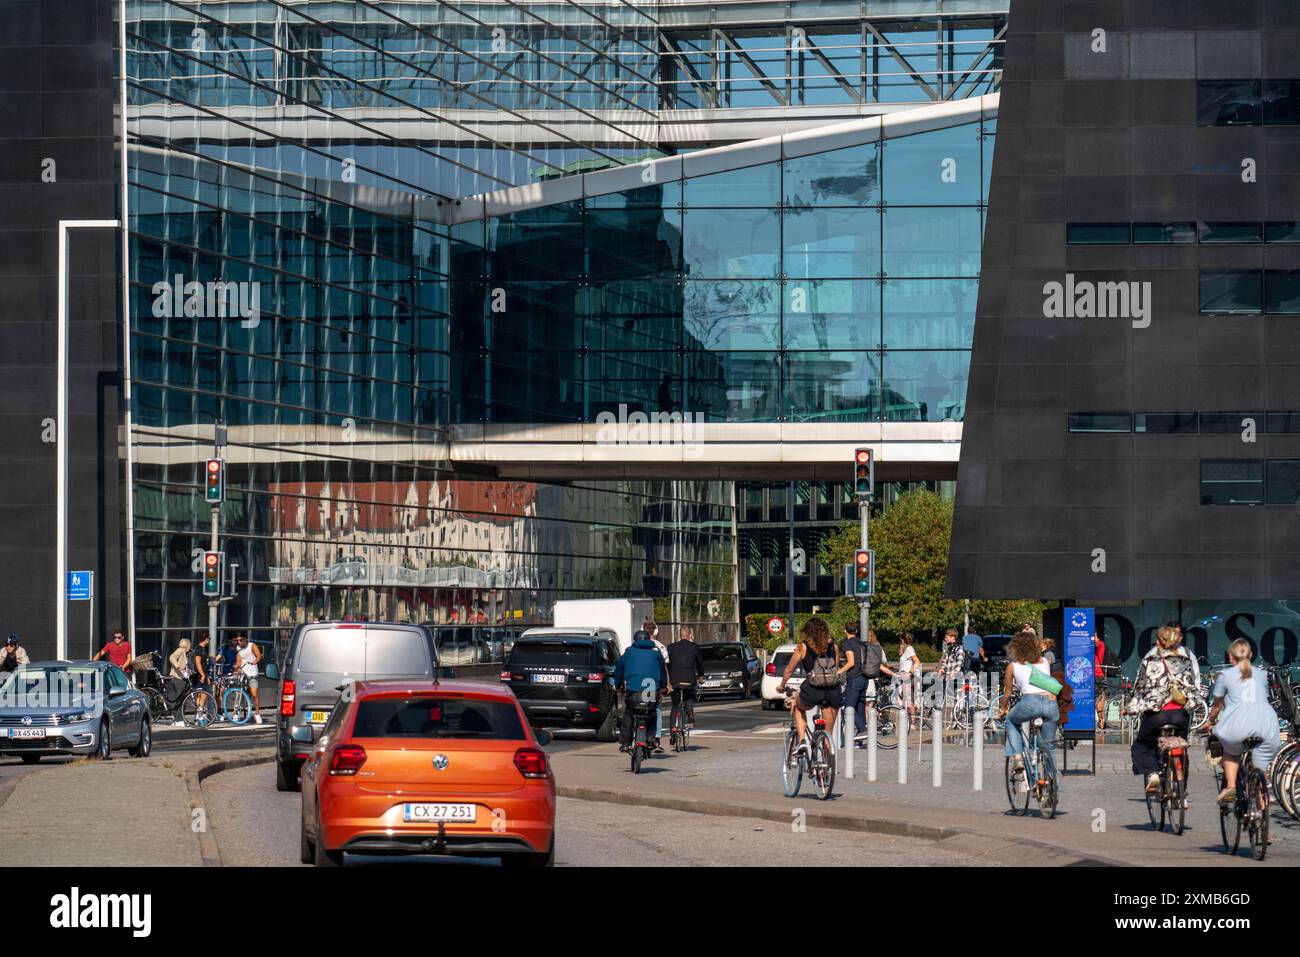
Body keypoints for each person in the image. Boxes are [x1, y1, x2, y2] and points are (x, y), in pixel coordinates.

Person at [1206, 638, 1281, 808]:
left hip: (1238, 725)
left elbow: (1217, 705)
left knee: (1230, 751)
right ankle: (1263, 819)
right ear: (1251, 655)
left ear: (1230, 656)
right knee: (1259, 769)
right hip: (1266, 724)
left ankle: (1231, 786)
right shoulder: (1262, 674)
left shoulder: (1225, 675)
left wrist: (1210, 720)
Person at [1128, 625, 1202, 796]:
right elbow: (1192, 686)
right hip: (1180, 715)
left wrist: (1132, 706)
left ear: (1159, 641)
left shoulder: (1151, 660)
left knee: (1142, 745)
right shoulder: (1185, 660)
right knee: (1181, 746)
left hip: (1157, 715)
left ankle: (1153, 773)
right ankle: (1181, 789)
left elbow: (1140, 688)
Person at [998, 629, 1060, 785]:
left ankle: (1018, 758)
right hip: (1051, 704)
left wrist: (1003, 708)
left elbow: (1007, 691)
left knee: (1011, 722)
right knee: (1049, 745)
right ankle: (1053, 787)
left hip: (1029, 703)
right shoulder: (1044, 661)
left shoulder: (1013, 666)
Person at [776, 618, 840, 757]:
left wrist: (782, 685)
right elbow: (835, 668)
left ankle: (802, 741)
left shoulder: (802, 647)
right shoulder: (833, 647)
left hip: (812, 690)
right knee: (828, 733)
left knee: (798, 706)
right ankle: (826, 770)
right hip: (832, 691)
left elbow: (789, 669)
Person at [614, 629, 668, 752]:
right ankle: (650, 738)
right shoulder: (656, 653)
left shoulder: (629, 652)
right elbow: (663, 672)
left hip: (633, 692)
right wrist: (663, 687)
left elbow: (619, 669)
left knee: (629, 714)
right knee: (652, 713)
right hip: (651, 692)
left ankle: (626, 743)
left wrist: (618, 686)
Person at [666, 625, 704, 739]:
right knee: (688, 697)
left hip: (675, 680)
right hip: (689, 680)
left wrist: (668, 681)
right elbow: (700, 664)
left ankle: (673, 733)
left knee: (675, 706)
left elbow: (668, 664)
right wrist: (701, 675)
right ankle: (690, 713)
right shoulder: (694, 647)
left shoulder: (671, 647)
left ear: (679, 635)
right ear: (689, 635)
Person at [839, 623, 868, 747]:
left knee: (848, 707)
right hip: (865, 678)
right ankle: (860, 739)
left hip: (855, 678)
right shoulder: (862, 643)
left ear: (845, 630)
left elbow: (851, 662)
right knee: (859, 707)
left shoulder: (848, 643)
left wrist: (839, 671)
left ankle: (863, 729)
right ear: (856, 631)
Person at [643, 619, 670, 751]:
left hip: (638, 685)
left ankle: (633, 738)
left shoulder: (634, 646)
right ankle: (657, 739)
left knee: (635, 710)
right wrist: (666, 685)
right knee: (657, 710)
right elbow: (664, 668)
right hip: (655, 684)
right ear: (656, 632)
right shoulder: (661, 647)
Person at [234, 634, 264, 724]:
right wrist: (236, 667)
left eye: (240, 640)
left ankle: (257, 714)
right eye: (237, 640)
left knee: (254, 694)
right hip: (243, 673)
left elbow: (259, 655)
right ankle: (236, 713)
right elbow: (238, 661)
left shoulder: (252, 645)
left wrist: (255, 661)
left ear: (245, 639)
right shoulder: (238, 649)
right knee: (239, 693)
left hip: (252, 673)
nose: (239, 642)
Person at [896, 631, 921, 728]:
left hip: (906, 675)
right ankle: (907, 719)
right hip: (901, 674)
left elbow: (917, 662)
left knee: (908, 698)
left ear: (903, 639)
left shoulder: (910, 649)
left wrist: (910, 672)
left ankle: (913, 722)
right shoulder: (905, 649)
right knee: (901, 696)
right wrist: (901, 650)